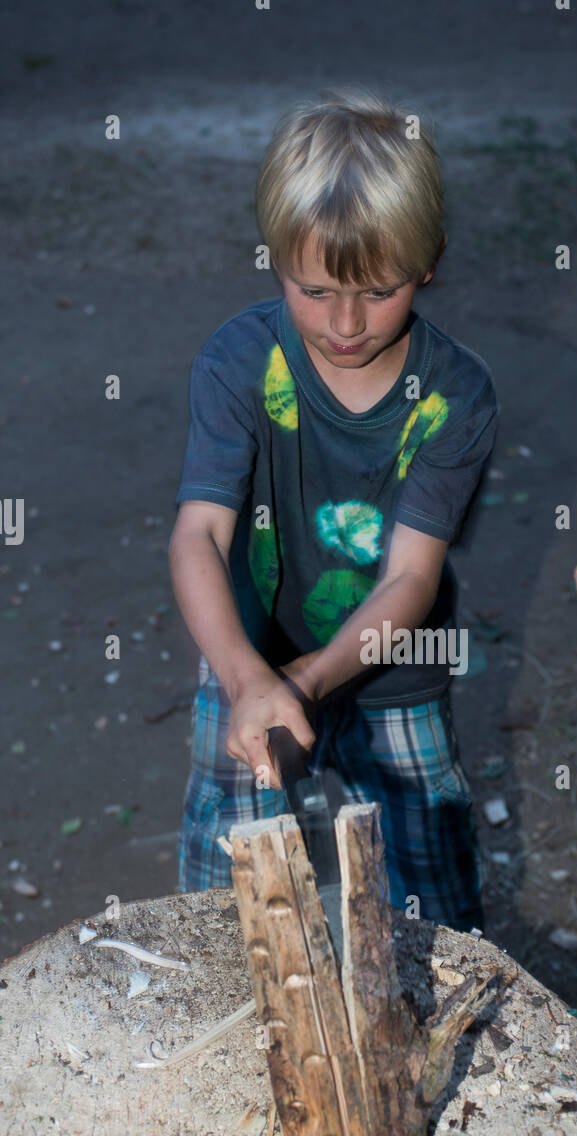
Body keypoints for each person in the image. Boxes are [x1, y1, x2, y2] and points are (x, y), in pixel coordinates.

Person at [169, 86, 500, 933]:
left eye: (379, 291)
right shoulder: (237, 363)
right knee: (223, 886)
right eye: (313, 291)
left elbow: (411, 579)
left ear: (430, 261)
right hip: (249, 653)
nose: (346, 322)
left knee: (433, 891)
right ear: (274, 258)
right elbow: (199, 534)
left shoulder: (454, 399)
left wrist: (305, 684)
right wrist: (252, 682)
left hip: (396, 668)